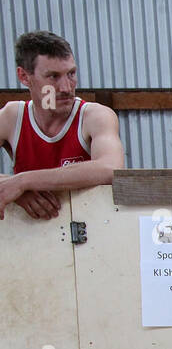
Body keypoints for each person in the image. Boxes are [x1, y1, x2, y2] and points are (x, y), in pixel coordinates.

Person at [0, 30, 124, 220]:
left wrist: (25, 181)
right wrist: (12, 186)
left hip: (93, 230)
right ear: (24, 76)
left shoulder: (94, 116)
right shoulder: (12, 117)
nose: (66, 87)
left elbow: (110, 169)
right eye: (53, 77)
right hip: (32, 235)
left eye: (71, 74)